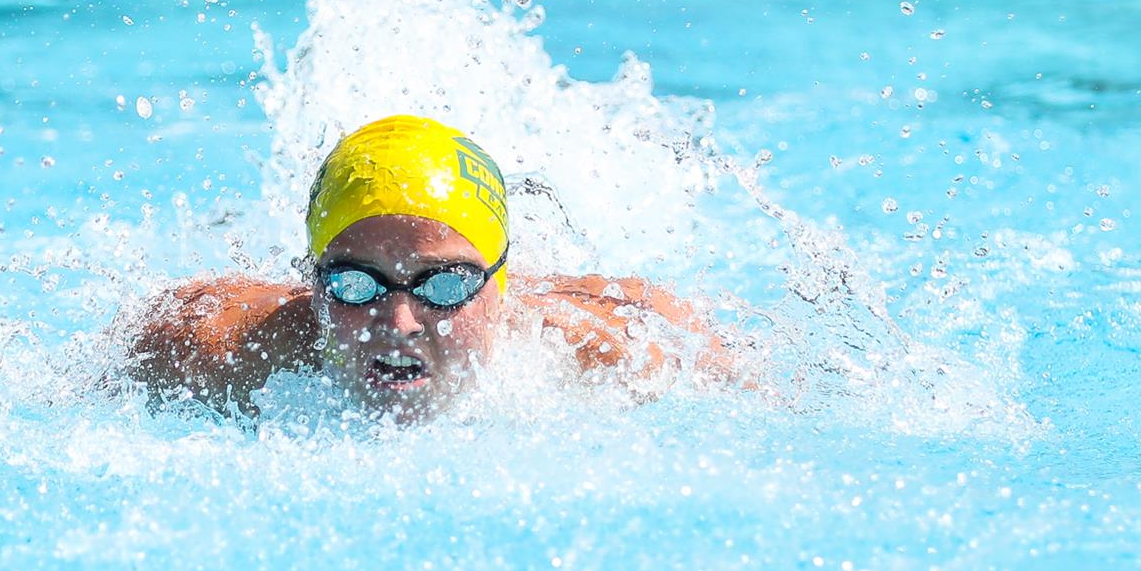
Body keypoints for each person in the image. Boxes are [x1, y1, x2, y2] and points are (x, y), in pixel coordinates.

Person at [127, 114, 738, 417]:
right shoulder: (215, 352)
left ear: (500, 284)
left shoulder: (611, 348)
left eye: (444, 284)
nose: (398, 319)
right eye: (353, 282)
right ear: (312, 282)